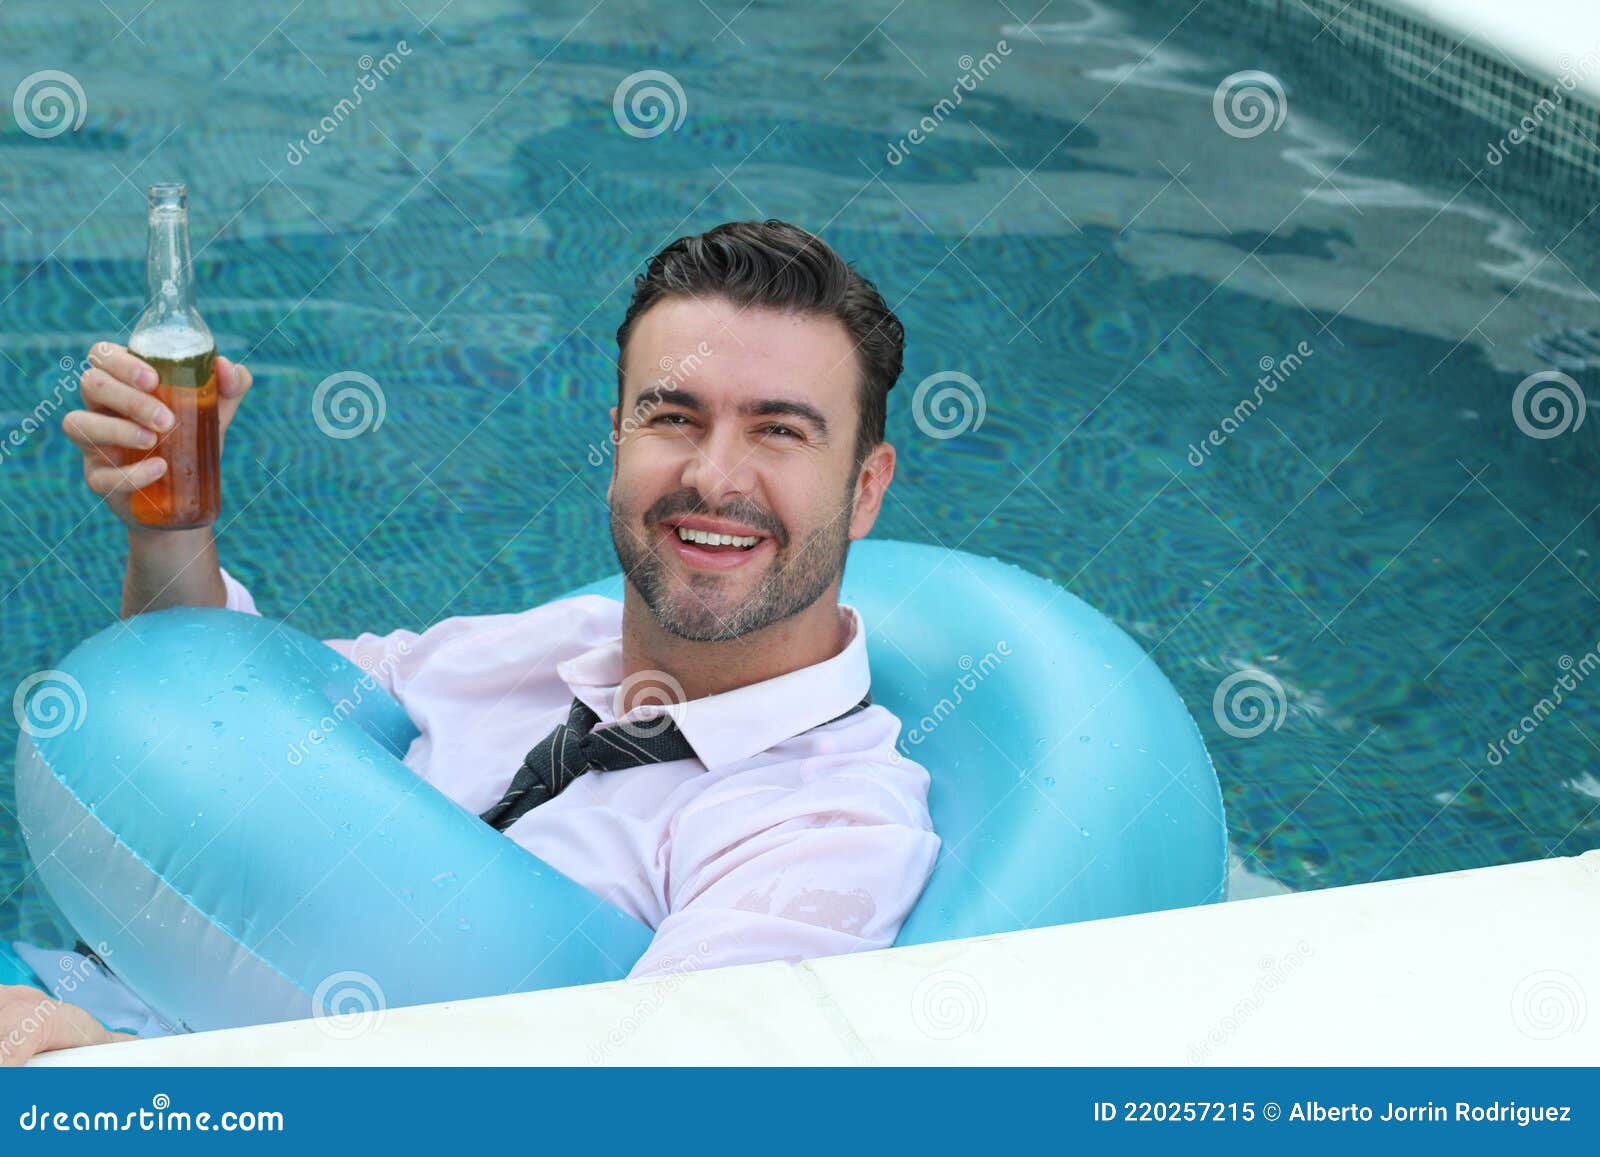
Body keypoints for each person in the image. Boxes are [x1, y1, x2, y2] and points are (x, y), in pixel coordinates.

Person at [1, 220, 940, 1063]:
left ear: (866, 488)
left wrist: (113, 1070)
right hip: (76, 985)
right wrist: (170, 526)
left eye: (779, 431)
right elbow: (222, 730)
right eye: (672, 417)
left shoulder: (821, 834)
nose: (714, 475)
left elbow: (627, 1110)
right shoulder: (548, 644)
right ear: (616, 440)